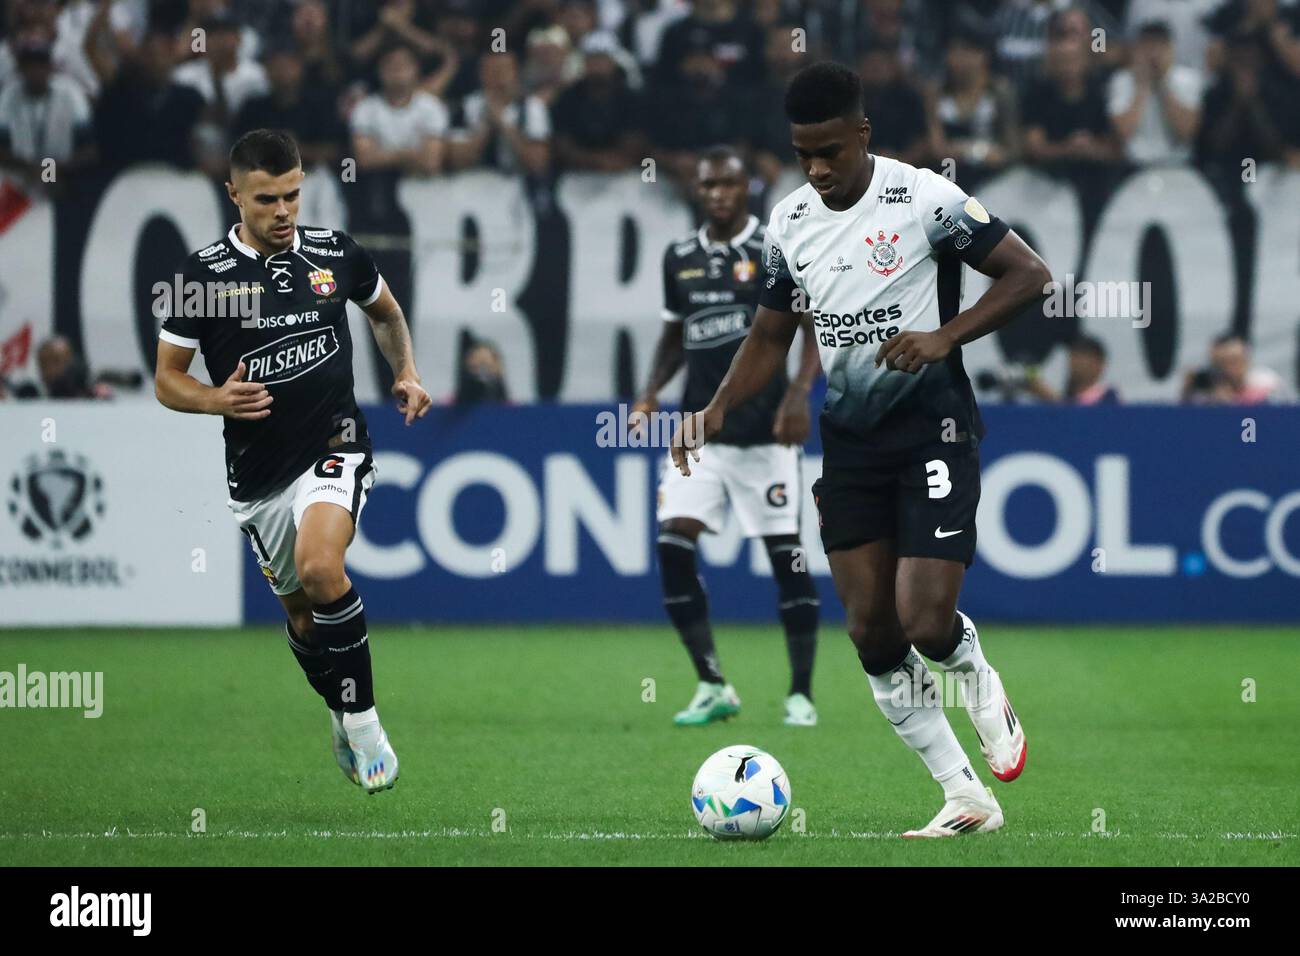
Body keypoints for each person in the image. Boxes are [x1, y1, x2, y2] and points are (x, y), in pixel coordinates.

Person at [671, 62, 1052, 837]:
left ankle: (975, 675)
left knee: (924, 621)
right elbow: (772, 333)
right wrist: (714, 408)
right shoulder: (790, 223)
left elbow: (1030, 276)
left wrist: (944, 336)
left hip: (934, 428)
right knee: (873, 634)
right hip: (849, 444)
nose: (816, 169)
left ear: (863, 136)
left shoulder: (926, 199)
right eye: (803, 153)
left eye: (831, 152)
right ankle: (963, 795)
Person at [154, 129, 432, 794]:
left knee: (320, 566)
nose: (283, 211)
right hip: (258, 475)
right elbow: (167, 379)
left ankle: (364, 726)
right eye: (267, 199)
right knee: (304, 618)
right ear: (234, 196)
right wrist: (215, 397)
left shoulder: (334, 254)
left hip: (336, 444)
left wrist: (407, 372)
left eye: (293, 195)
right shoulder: (202, 277)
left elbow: (386, 314)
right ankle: (339, 706)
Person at [634, 145, 823, 728]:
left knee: (785, 558)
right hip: (700, 434)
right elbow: (675, 336)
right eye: (708, 184)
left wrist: (797, 393)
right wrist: (650, 392)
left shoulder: (775, 249)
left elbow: (814, 324)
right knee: (672, 545)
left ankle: (800, 693)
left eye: (728, 185)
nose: (717, 194)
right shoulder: (680, 257)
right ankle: (713, 683)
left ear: (747, 190)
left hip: (765, 435)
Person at [1182, 332, 1288, 404]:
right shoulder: (1207, 384)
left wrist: (1233, 401)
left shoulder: (1266, 381)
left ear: (1246, 358)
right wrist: (1187, 390)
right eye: (1222, 362)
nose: (1230, 367)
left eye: (1234, 360)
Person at [1024, 334, 1120, 404]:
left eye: (1081, 355)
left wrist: (1049, 396)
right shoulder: (1068, 394)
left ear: (1099, 363)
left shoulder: (1108, 396)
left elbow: (1085, 419)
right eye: (1073, 355)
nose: (1074, 361)